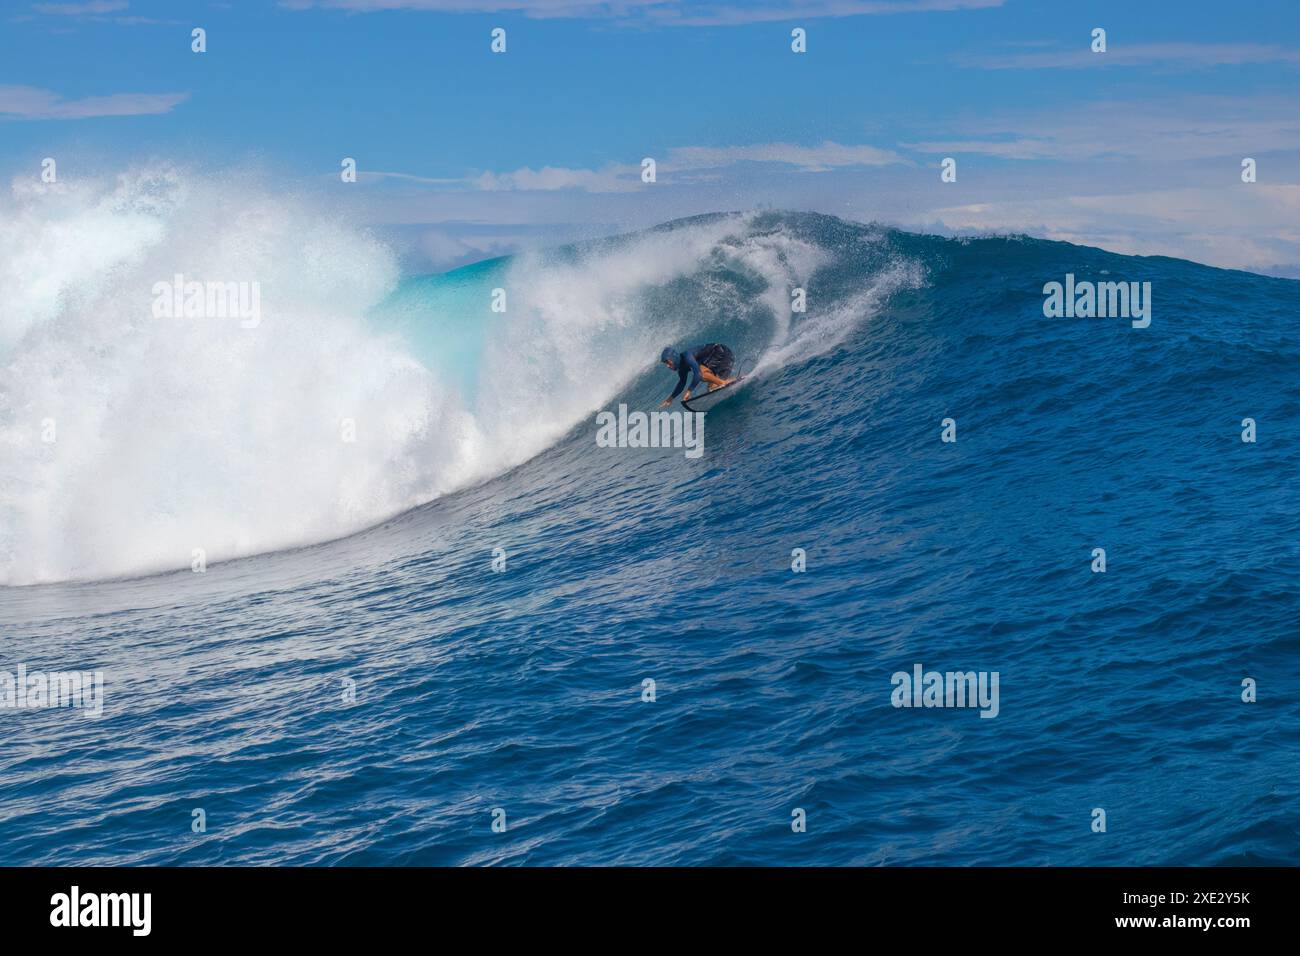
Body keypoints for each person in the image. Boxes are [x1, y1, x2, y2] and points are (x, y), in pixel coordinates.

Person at [659, 343, 736, 407]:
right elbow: (682, 383)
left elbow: (698, 374)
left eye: (668, 362)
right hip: (722, 361)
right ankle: (734, 381)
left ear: (674, 358)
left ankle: (722, 382)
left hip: (722, 353)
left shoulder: (687, 356)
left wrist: (689, 391)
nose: (667, 366)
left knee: (701, 373)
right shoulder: (681, 368)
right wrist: (670, 398)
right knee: (712, 388)